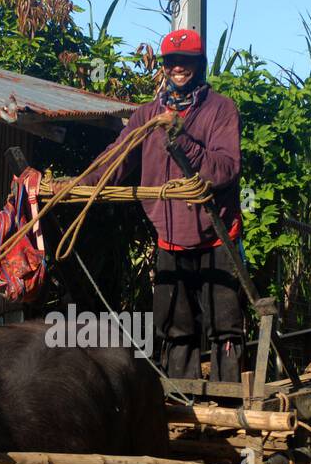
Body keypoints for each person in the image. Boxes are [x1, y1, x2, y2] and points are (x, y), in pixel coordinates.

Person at [79, 28, 247, 382]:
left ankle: (228, 406)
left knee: (224, 328)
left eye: (185, 62)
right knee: (175, 326)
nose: (178, 69)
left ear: (199, 65)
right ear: (165, 67)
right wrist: (76, 186)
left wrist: (179, 138)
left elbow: (226, 168)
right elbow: (117, 159)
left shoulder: (221, 110)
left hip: (216, 234)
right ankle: (181, 399)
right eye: (172, 62)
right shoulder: (146, 115)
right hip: (169, 237)